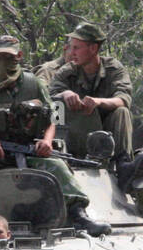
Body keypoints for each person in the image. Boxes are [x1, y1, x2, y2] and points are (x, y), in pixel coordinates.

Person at [0, 34, 110, 238]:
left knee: (57, 166)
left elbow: (52, 119)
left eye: (9, 57)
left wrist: (47, 141)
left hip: (28, 149)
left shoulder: (34, 84)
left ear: (19, 56)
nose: (3, 62)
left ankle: (78, 215)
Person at [49, 21, 134, 158]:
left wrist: (98, 102)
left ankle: (123, 163)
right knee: (55, 106)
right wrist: (65, 93)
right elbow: (49, 94)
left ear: (93, 48)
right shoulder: (68, 71)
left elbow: (124, 99)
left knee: (122, 112)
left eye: (77, 48)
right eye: (71, 47)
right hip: (74, 134)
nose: (72, 52)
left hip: (106, 137)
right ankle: (57, 155)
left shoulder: (114, 69)